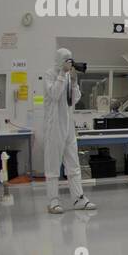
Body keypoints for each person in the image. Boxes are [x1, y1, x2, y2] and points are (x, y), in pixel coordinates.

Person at [43, 48, 96, 214]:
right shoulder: (49, 74)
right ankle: (53, 201)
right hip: (54, 127)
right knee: (52, 166)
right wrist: (62, 75)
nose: (69, 62)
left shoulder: (67, 76)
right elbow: (54, 95)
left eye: (70, 59)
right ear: (59, 59)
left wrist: (73, 82)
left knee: (74, 164)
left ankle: (78, 198)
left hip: (68, 125)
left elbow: (73, 100)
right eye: (66, 59)